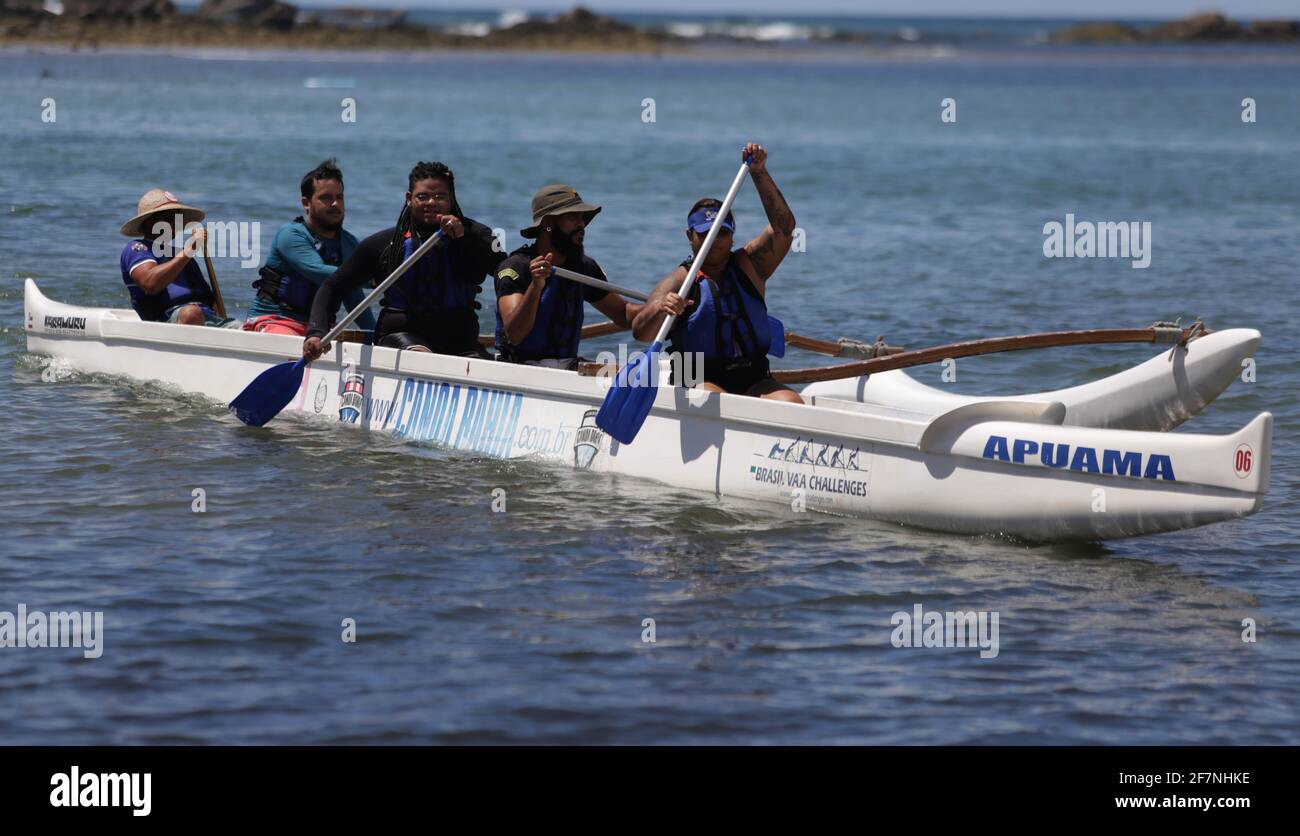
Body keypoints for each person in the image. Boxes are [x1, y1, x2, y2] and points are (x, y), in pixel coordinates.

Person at [633, 143, 802, 403]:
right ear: (689, 236)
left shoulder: (752, 265)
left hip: (752, 376)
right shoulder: (679, 280)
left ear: (732, 236)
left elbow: (785, 227)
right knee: (720, 403)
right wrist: (661, 310)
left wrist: (759, 172)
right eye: (704, 233)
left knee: (791, 403)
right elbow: (640, 332)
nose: (714, 240)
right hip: (697, 378)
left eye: (721, 233)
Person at [303, 161, 502, 360]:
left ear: (451, 199)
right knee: (422, 357)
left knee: (482, 362)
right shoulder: (383, 244)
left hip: (460, 342)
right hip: (401, 337)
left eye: (440, 197)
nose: (431, 202)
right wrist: (316, 332)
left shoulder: (478, 235)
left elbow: (506, 270)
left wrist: (464, 238)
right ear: (409, 198)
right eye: (423, 196)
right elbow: (333, 287)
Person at [494, 184, 639, 369]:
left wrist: (660, 308)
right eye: (572, 217)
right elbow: (514, 334)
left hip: (568, 366)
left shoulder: (583, 267)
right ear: (547, 224)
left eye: (582, 217)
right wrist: (536, 286)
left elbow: (623, 314)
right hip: (519, 369)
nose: (581, 224)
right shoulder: (515, 267)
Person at [244, 159, 376, 336]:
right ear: (306, 203)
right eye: (326, 198)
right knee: (292, 343)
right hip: (275, 321)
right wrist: (373, 278)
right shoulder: (291, 235)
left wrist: (376, 335)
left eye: (339, 197)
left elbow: (354, 297)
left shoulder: (349, 243)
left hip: (319, 330)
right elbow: (319, 272)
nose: (335, 204)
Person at [118, 189, 234, 327]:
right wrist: (189, 250)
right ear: (149, 221)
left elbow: (212, 304)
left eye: (177, 217)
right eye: (169, 217)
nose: (175, 222)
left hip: (207, 319)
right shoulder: (137, 248)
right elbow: (151, 283)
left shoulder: (183, 257)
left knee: (253, 327)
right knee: (191, 314)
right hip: (167, 322)